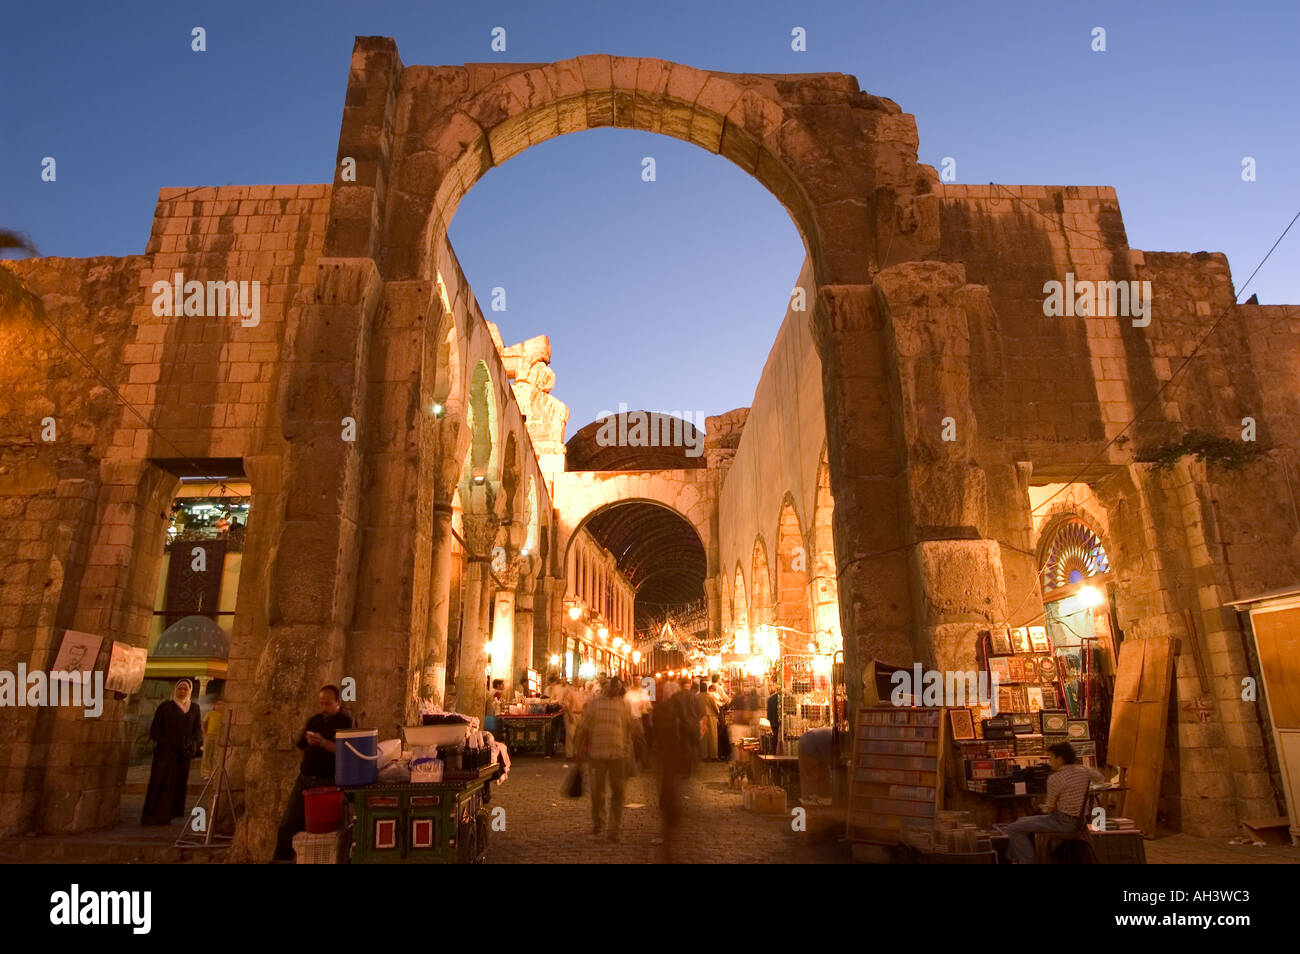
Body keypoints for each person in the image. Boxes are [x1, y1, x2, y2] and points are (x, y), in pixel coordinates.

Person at [272, 685, 353, 862]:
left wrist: (324, 743)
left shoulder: (345, 722)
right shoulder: (315, 719)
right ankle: (282, 859)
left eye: (328, 704)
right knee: (289, 823)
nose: (324, 707)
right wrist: (308, 740)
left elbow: (346, 750)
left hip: (328, 781)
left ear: (338, 702)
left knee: (328, 827)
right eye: (321, 703)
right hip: (305, 779)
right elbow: (301, 744)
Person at [1003, 741, 1103, 864]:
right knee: (1021, 822)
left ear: (1059, 759)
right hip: (1080, 822)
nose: (1049, 761)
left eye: (1051, 757)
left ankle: (1026, 861)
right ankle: (1014, 860)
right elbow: (1100, 778)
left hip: (1063, 822)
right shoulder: (1084, 771)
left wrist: (1043, 807)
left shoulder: (1055, 778)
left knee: (1013, 828)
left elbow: (1049, 808)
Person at [574, 676, 642, 843]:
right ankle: (599, 823)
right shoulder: (595, 704)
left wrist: (640, 744)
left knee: (618, 792)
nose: (616, 690)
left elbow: (634, 727)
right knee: (598, 792)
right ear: (607, 687)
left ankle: (614, 829)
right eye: (614, 687)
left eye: (618, 688)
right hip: (597, 754)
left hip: (619, 755)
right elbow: (584, 727)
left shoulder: (624, 705)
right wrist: (579, 751)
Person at [141, 679, 203, 825]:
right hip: (165, 752)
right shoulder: (165, 707)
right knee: (160, 782)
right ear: (175, 690)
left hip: (182, 754)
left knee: (176, 784)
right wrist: (166, 742)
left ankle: (168, 815)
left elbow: (197, 729)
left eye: (185, 689)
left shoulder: (193, 708)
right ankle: (152, 815)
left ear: (189, 691)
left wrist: (193, 743)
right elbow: (155, 729)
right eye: (180, 689)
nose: (182, 692)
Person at [797, 726, 834, 802]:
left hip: (808, 742)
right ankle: (811, 801)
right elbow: (831, 759)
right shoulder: (835, 739)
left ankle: (819, 799)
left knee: (823, 775)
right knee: (812, 776)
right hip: (808, 746)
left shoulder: (834, 734)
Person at [698, 680, 721, 761]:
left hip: (700, 718)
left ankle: (704, 755)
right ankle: (713, 755)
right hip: (711, 717)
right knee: (713, 737)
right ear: (706, 689)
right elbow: (715, 708)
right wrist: (717, 713)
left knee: (703, 737)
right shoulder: (709, 697)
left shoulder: (697, 697)